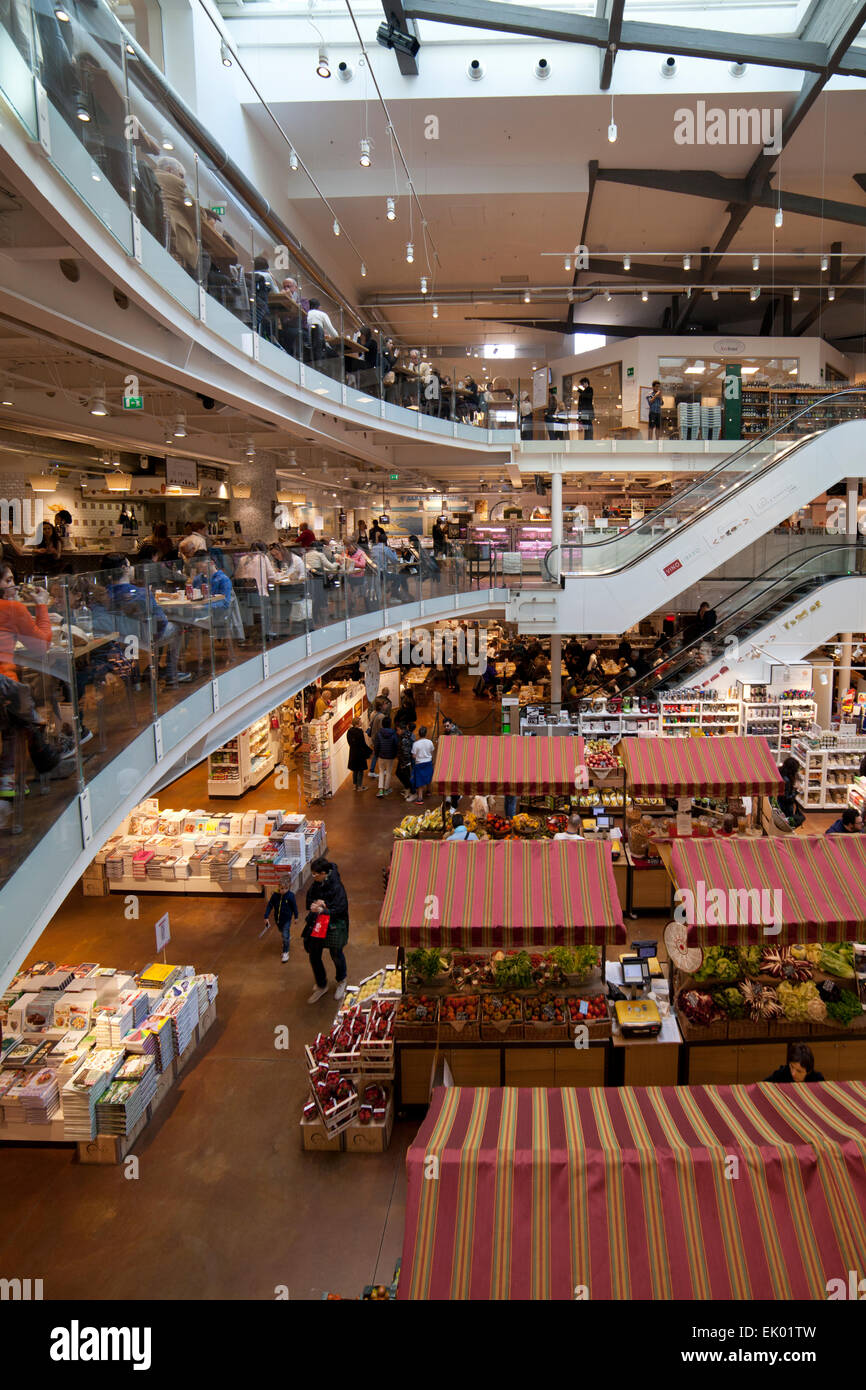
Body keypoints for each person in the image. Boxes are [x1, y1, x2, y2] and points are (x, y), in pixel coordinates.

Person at [0, 564, 54, 798]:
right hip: (4, 685)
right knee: (17, 716)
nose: (13, 585)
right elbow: (41, 645)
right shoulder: (12, 609)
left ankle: (8, 778)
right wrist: (41, 606)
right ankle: (9, 779)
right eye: (9, 580)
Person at [104, 554, 191, 688]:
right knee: (178, 627)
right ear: (124, 568)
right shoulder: (141, 593)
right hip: (145, 637)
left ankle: (136, 680)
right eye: (129, 565)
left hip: (121, 639)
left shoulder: (104, 595)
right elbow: (161, 620)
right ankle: (171, 674)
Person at [303, 857, 349, 1003]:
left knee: (335, 953)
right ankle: (322, 984)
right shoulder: (316, 884)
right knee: (314, 954)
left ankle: (342, 980)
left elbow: (340, 908)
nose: (314, 877)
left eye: (315, 874)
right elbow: (309, 898)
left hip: (334, 925)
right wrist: (314, 904)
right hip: (318, 924)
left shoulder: (337, 886)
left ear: (323, 873)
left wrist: (324, 907)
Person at [263, 883, 298, 963]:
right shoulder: (275, 895)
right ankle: (286, 938)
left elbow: (294, 907)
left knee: (285, 935)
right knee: (282, 931)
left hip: (287, 919)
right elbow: (270, 905)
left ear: (288, 888)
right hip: (278, 920)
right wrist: (266, 916)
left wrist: (296, 916)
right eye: (281, 888)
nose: (283, 890)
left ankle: (286, 952)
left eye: (285, 888)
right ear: (278, 887)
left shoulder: (290, 896)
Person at [374, 714, 399, 796]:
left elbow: (376, 745)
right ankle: (386, 789)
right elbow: (396, 744)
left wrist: (377, 754)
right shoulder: (394, 733)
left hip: (381, 756)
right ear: (390, 724)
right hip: (390, 756)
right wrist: (395, 754)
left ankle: (380, 790)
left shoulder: (379, 734)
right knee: (388, 772)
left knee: (381, 772)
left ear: (382, 724)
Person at [411, 724, 435, 804]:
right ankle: (428, 791)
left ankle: (420, 798)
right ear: (426, 733)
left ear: (419, 734)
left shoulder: (416, 744)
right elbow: (432, 752)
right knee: (428, 777)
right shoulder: (430, 742)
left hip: (419, 764)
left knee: (420, 781)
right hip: (428, 763)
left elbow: (414, 756)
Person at [346, 716, 371, 791]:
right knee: (360, 770)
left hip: (353, 753)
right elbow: (363, 744)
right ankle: (360, 787)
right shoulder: (360, 732)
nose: (362, 722)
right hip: (360, 753)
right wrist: (369, 751)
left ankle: (355, 786)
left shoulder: (349, 732)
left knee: (355, 770)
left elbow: (349, 742)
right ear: (357, 723)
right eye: (360, 722)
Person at [366, 696, 387, 778]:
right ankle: (379, 770)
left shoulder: (373, 713)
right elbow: (381, 729)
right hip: (379, 738)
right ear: (381, 706)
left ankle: (373, 770)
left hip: (374, 737)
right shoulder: (381, 716)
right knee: (380, 754)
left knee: (376, 753)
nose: (386, 706)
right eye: (385, 704)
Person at [396, 723, 415, 799]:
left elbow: (406, 752)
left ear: (402, 729)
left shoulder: (404, 739)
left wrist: (404, 763)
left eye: (398, 730)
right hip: (403, 760)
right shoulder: (407, 735)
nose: (397, 732)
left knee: (405, 775)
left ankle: (410, 790)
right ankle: (408, 788)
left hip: (404, 761)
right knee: (403, 774)